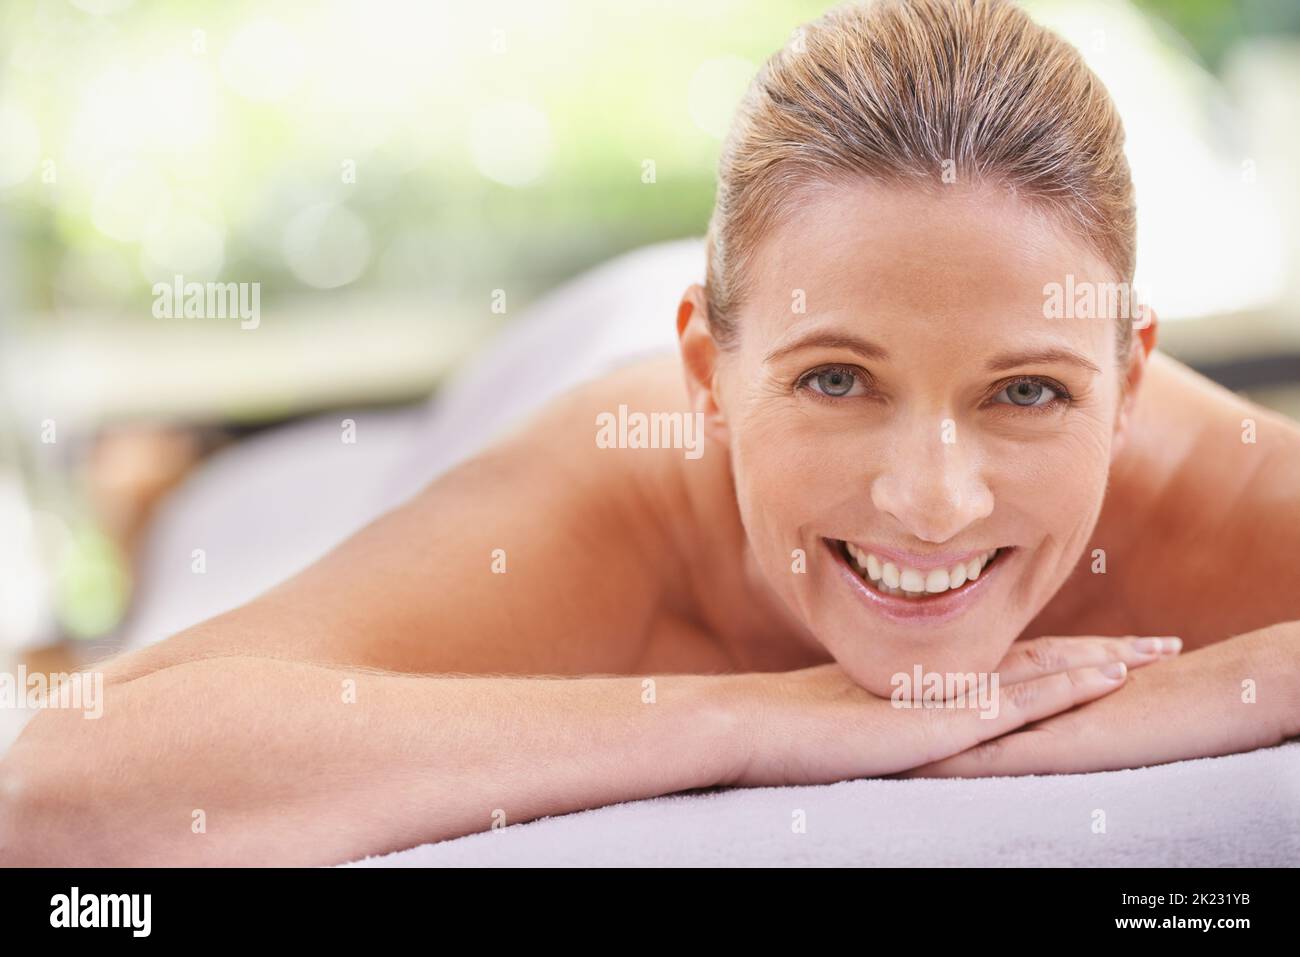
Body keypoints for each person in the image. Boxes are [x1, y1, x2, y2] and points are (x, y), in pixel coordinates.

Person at [4, 0, 1297, 867]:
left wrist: (1186, 693)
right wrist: (756, 718)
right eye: (836, 382)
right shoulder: (604, 502)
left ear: (1131, 381)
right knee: (249, 512)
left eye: (1028, 394)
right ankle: (157, 477)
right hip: (572, 355)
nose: (931, 502)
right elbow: (57, 792)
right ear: (706, 373)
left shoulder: (1219, 503)